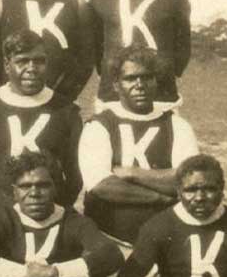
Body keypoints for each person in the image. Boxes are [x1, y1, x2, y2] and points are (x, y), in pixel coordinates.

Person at [77, 46, 197, 252]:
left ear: (156, 81)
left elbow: (189, 179)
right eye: (130, 78)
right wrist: (160, 198)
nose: (139, 85)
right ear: (116, 85)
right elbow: (101, 186)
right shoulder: (99, 125)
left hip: (165, 241)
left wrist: (132, 174)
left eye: (146, 77)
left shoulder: (177, 125)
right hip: (109, 240)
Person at [0, 31, 83, 222]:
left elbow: (75, 176)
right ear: (6, 65)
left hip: (45, 219)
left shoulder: (66, 111)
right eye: (22, 61)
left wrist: (56, 209)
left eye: (39, 61)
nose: (32, 68)